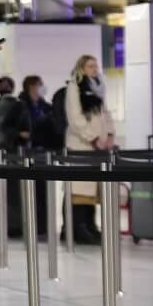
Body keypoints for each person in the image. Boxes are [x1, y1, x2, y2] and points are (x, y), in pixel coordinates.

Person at [63, 55, 114, 245]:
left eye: (96, 65)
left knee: (93, 190)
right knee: (79, 190)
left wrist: (109, 134)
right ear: (82, 68)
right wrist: (91, 138)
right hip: (81, 146)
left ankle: (91, 226)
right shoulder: (74, 87)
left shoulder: (98, 88)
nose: (95, 69)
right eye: (90, 66)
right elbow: (75, 118)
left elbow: (105, 113)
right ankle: (78, 227)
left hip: (98, 148)